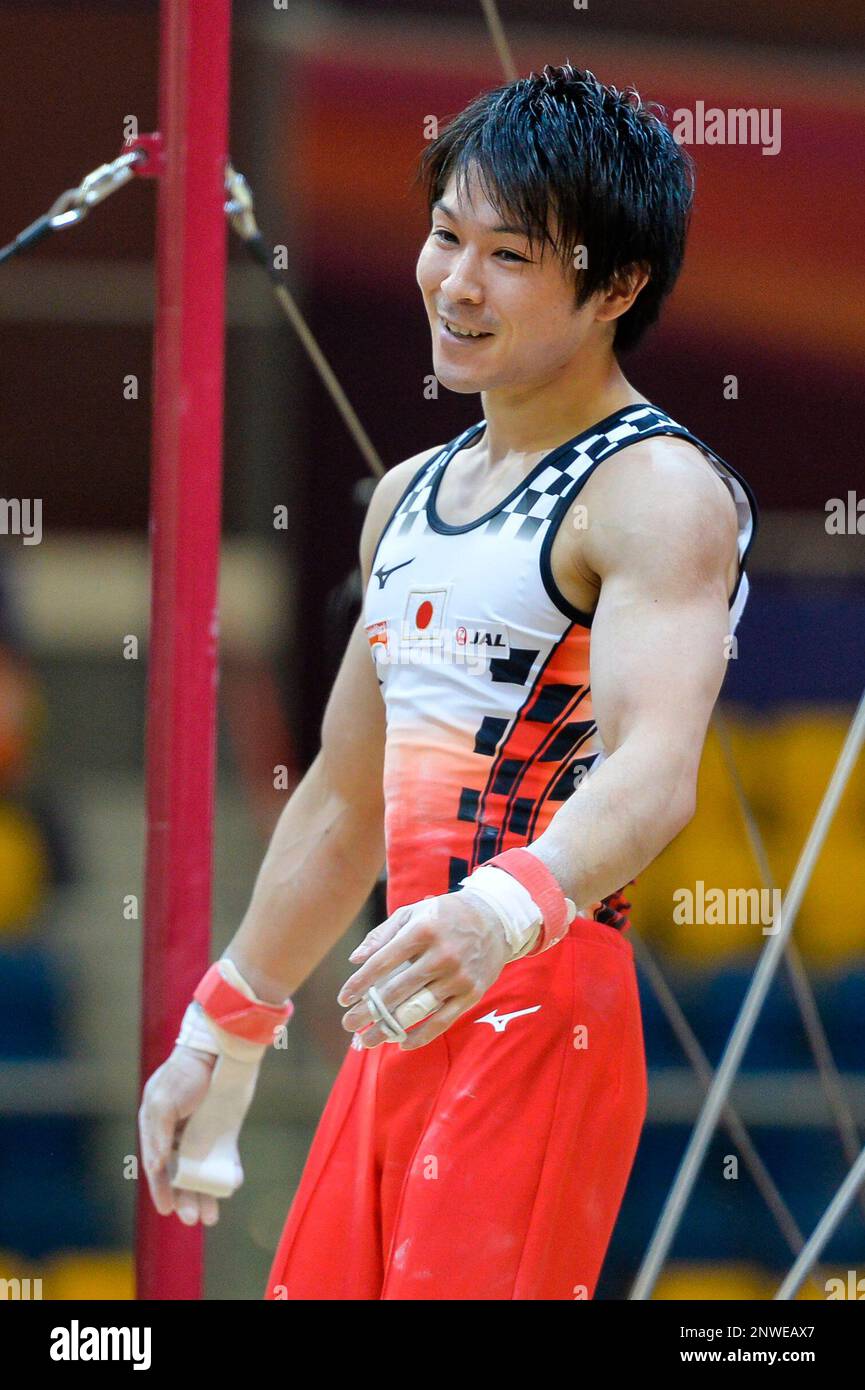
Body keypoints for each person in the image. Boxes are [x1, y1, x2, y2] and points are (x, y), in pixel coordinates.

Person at [139, 63, 758, 1300]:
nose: (456, 285)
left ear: (614, 287)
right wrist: (230, 1015)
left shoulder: (654, 494)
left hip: (540, 1004)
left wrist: (499, 911)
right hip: (403, 1005)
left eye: (510, 255)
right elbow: (340, 794)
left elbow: (651, 770)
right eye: (443, 236)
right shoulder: (408, 500)